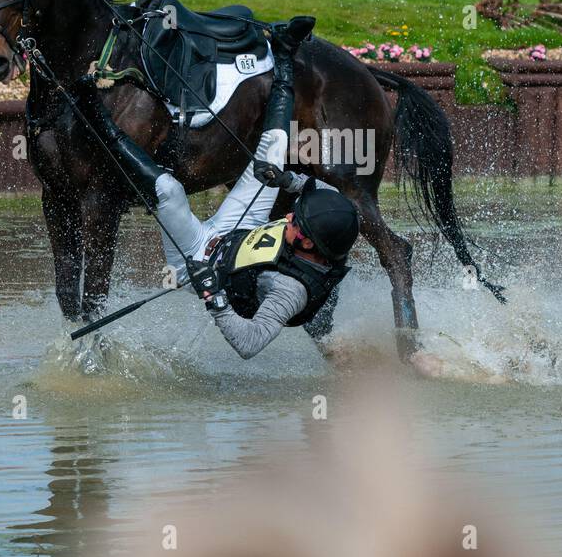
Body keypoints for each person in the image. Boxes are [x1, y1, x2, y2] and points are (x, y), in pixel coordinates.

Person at [73, 20, 359, 361]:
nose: (286, 216)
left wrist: (212, 295)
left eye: (295, 222)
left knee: (169, 189)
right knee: (274, 152)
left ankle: (92, 110)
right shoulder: (335, 217)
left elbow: (249, 344)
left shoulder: (289, 291)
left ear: (308, 243)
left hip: (199, 258)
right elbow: (314, 186)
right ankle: (283, 54)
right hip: (241, 229)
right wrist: (283, 181)